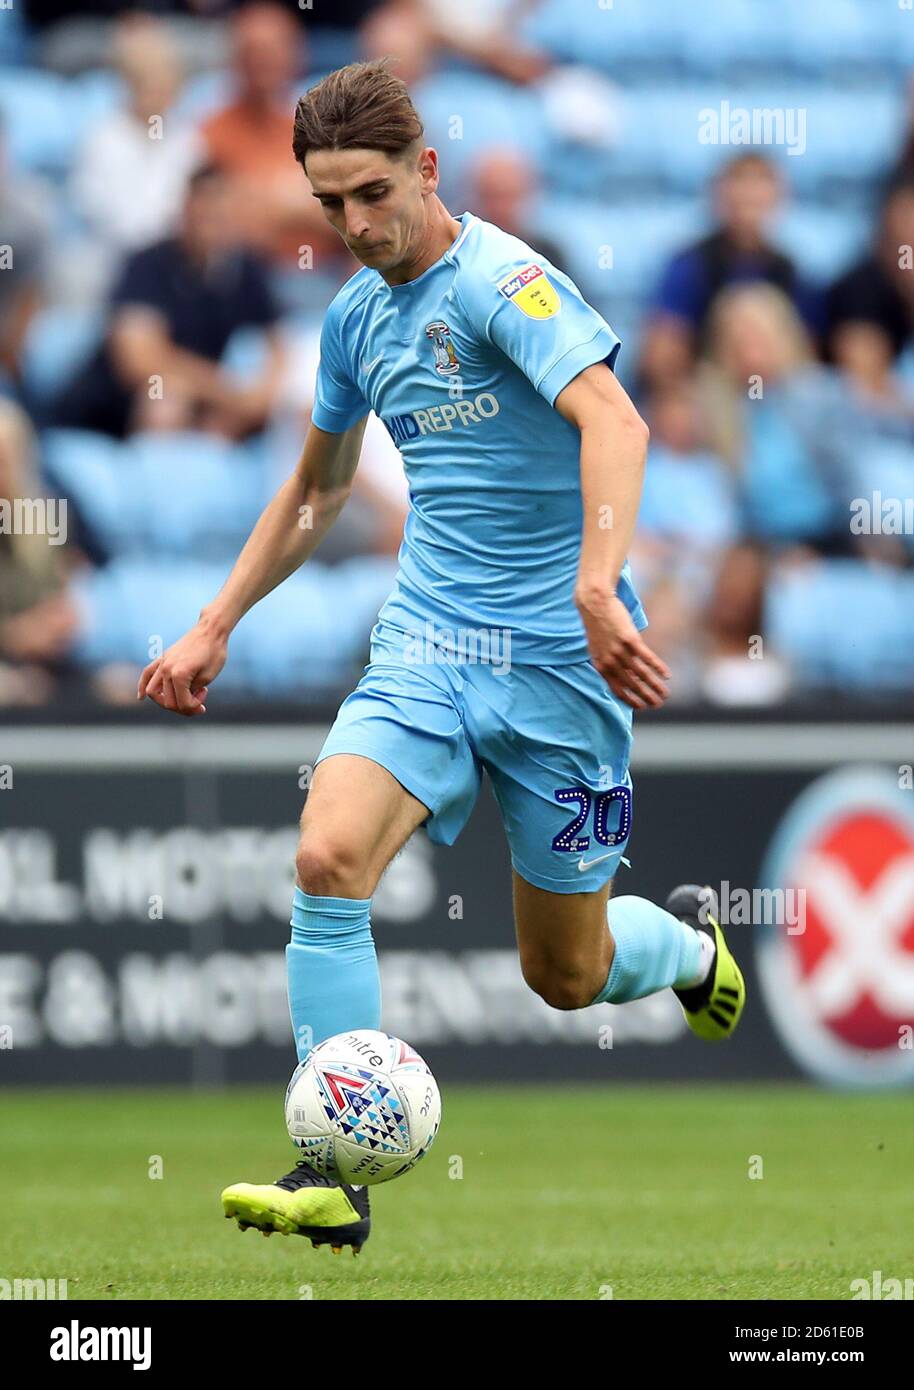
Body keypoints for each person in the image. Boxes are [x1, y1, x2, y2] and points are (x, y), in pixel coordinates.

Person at [138, 59, 746, 1255]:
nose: (353, 227)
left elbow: (614, 421)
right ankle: (330, 1170)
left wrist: (594, 584)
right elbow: (317, 492)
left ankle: (679, 947)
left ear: (425, 169)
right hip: (425, 644)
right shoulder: (355, 320)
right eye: (327, 205)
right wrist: (215, 621)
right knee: (324, 856)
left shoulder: (505, 284)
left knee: (561, 977)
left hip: (560, 670)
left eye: (370, 194)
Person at [52, 163, 286, 439]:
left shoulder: (246, 270)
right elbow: (138, 361)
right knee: (165, 401)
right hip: (107, 415)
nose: (212, 223)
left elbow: (278, 345)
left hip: (203, 404)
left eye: (221, 214)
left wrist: (260, 396)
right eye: (204, 212)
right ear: (184, 211)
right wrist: (226, 392)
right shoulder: (147, 265)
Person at [639, 152, 818, 389]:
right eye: (740, 186)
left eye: (758, 189)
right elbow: (662, 355)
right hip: (705, 398)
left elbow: (804, 359)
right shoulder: (690, 266)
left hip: (775, 397)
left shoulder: (790, 271)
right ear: (719, 196)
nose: (749, 197)